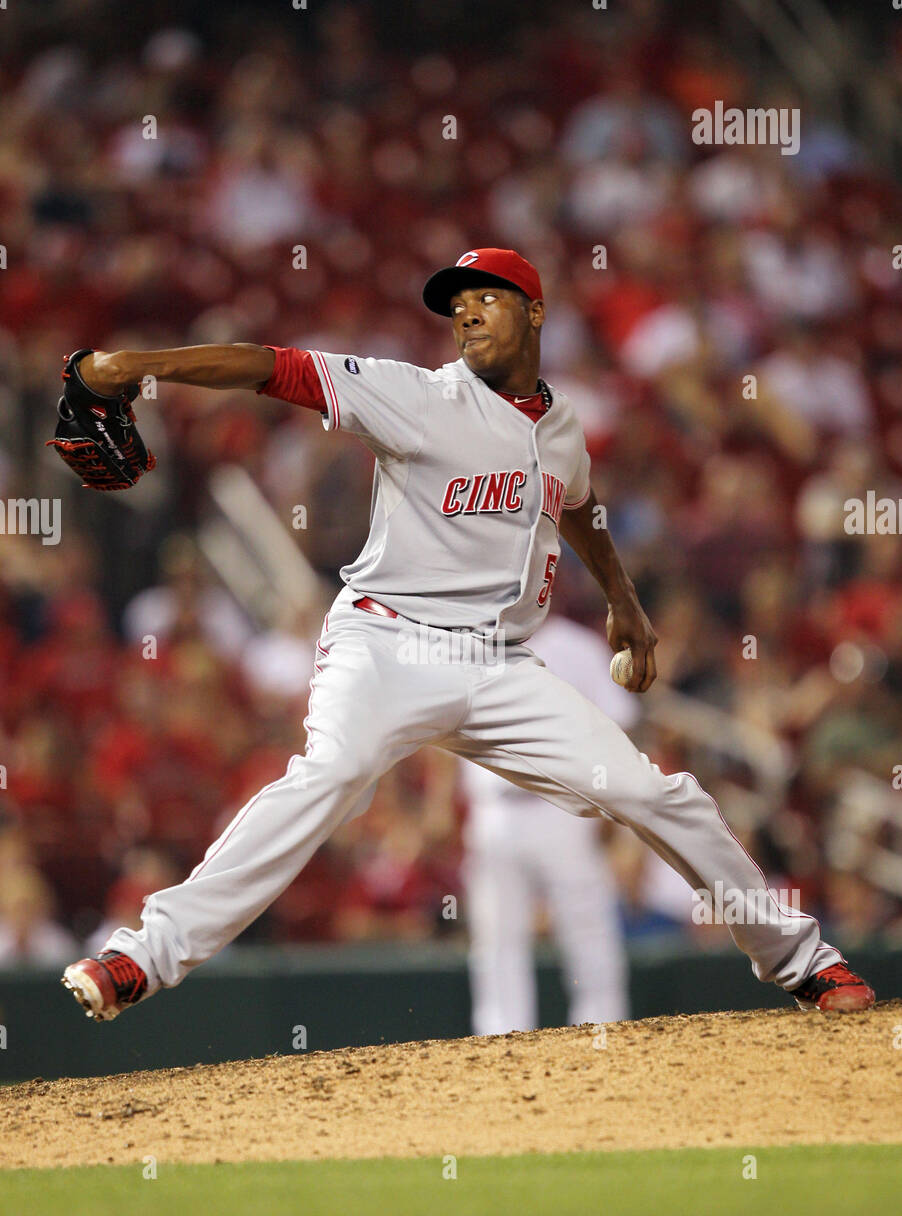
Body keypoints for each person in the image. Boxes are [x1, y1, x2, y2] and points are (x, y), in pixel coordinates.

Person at [60, 247, 875, 1022]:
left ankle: (800, 960)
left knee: (650, 792)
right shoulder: (417, 395)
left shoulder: (561, 426)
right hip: (387, 643)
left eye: (488, 298)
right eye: (458, 306)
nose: (468, 315)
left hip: (497, 666)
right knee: (330, 775)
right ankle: (141, 956)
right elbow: (269, 365)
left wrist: (624, 602)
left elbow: (579, 506)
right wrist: (133, 368)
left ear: (537, 312)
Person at [461, 603, 635, 1034]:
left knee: (588, 931)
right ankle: (500, 1039)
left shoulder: (578, 646)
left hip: (565, 806)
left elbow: (618, 727)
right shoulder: (472, 643)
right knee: (495, 941)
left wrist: (611, 806)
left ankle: (603, 1032)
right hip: (494, 810)